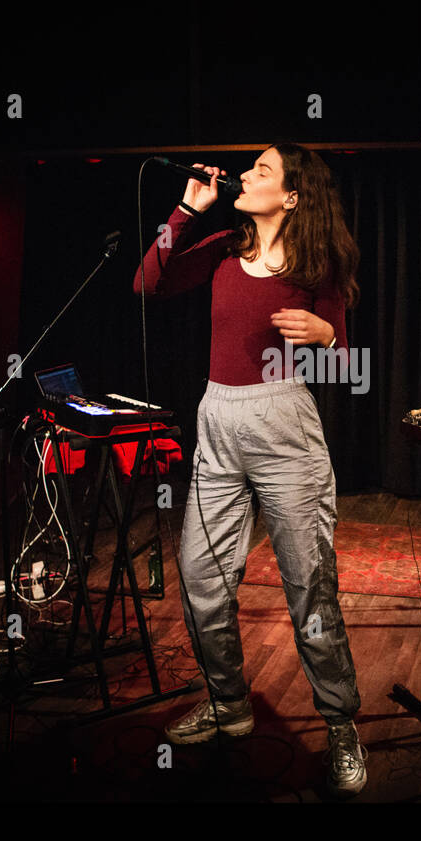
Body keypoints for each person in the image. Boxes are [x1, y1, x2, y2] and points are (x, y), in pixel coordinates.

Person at [133, 143, 366, 797]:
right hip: (218, 420)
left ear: (292, 196)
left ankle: (342, 726)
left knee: (309, 592)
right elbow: (146, 282)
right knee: (203, 582)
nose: (246, 174)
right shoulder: (220, 252)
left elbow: (345, 367)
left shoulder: (316, 266)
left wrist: (329, 340)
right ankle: (229, 704)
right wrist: (184, 210)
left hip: (285, 429)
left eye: (263, 170)